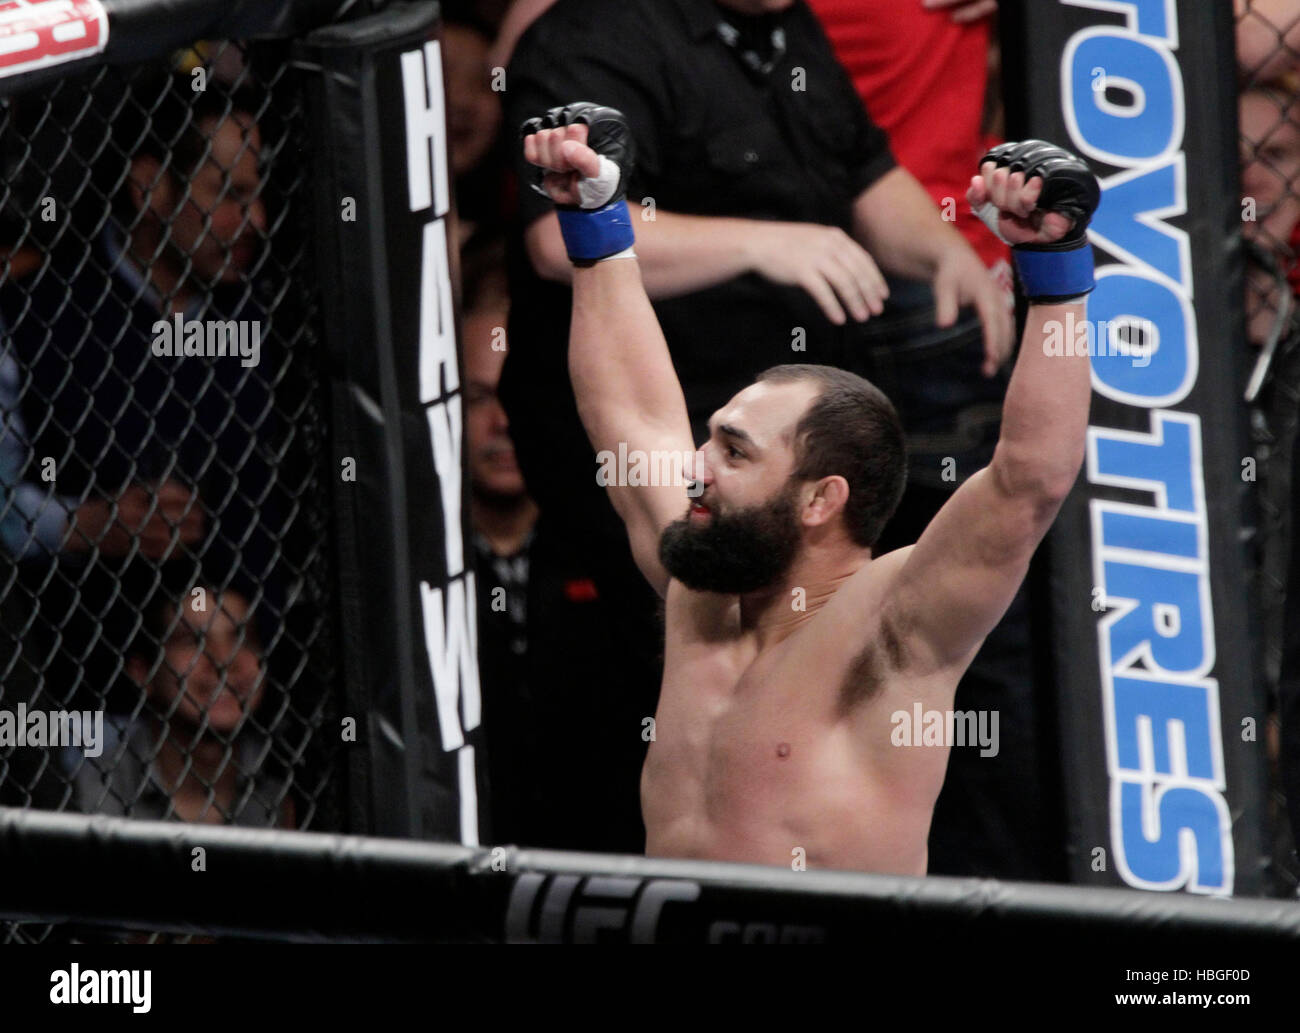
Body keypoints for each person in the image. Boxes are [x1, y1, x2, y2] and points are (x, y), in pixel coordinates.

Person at [522, 106, 1097, 871]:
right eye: (711, 437)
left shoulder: (897, 625)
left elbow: (1030, 478)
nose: (695, 465)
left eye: (733, 450)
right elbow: (631, 414)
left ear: (820, 499)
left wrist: (1056, 273)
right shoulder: (701, 582)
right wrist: (595, 218)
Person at [62, 571, 293, 827]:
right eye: (192, 641)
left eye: (241, 637)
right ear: (143, 672)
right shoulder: (92, 792)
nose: (223, 660)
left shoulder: (287, 783)